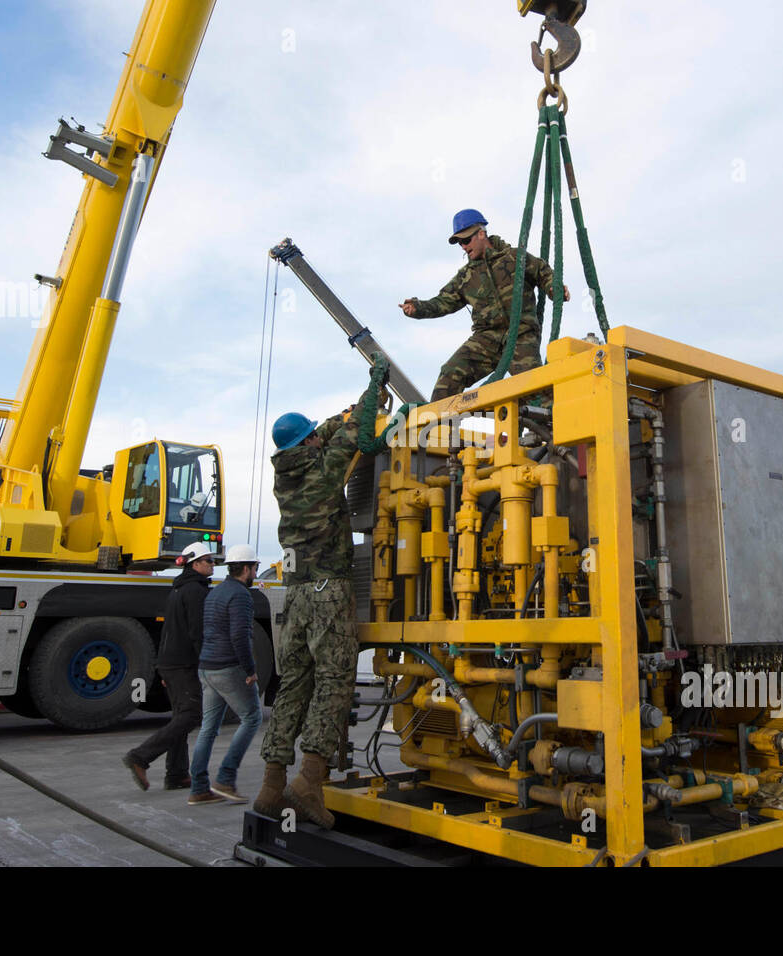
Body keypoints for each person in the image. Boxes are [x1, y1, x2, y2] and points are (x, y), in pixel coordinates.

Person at [253, 361, 384, 828]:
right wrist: (375, 386)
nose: (318, 439)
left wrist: (339, 416)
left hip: (296, 595)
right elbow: (353, 436)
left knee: (293, 686)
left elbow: (332, 432)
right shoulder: (324, 470)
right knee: (334, 682)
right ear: (308, 444)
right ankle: (309, 780)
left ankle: (271, 786)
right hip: (330, 593)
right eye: (313, 436)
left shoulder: (286, 476)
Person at [400, 208, 568, 401]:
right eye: (459, 243)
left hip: (520, 334)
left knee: (535, 388)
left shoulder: (515, 257)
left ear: (481, 233)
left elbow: (542, 271)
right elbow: (442, 302)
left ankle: (553, 425)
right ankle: (441, 429)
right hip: (486, 339)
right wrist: (417, 308)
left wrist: (554, 289)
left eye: (465, 240)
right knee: (449, 375)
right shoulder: (465, 277)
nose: (463, 246)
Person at [124, 541, 213, 792]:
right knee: (191, 714)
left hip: (170, 662)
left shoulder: (177, 589)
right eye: (209, 561)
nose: (213, 565)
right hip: (183, 663)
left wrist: (161, 667)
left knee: (181, 716)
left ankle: (176, 774)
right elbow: (198, 632)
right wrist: (205, 664)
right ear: (195, 564)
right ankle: (140, 756)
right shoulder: (196, 591)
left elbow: (170, 630)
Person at [188, 543, 263, 805]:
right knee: (252, 718)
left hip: (206, 668)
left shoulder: (215, 593)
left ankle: (199, 789)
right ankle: (226, 778)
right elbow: (239, 636)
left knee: (208, 729)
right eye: (255, 567)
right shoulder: (241, 596)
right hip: (228, 668)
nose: (256, 572)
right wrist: (250, 670)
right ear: (246, 568)